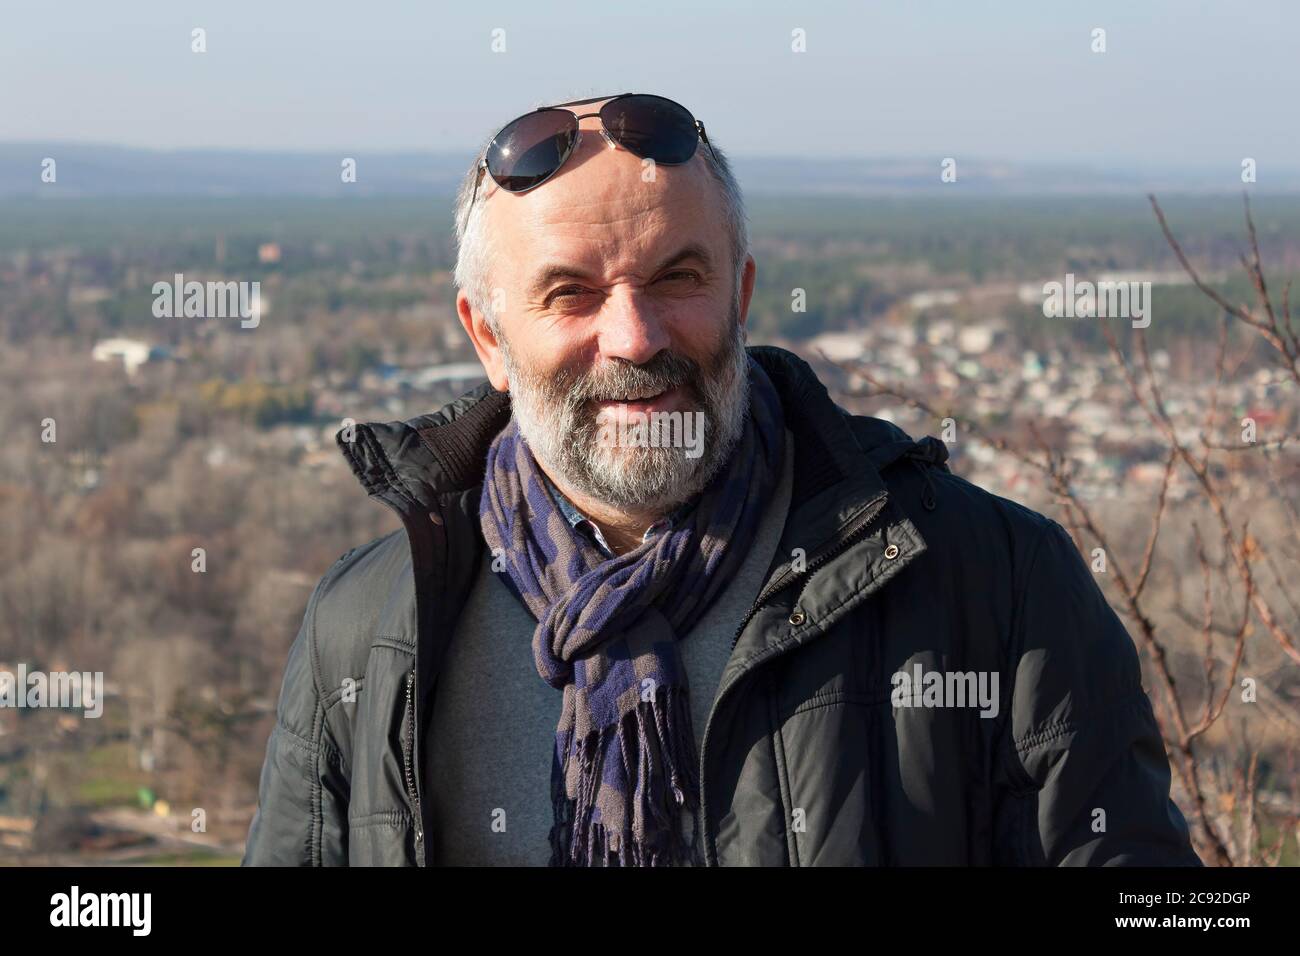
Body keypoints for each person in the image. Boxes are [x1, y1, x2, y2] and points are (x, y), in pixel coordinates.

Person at [243, 93, 1201, 867]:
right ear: (488, 336)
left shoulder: (992, 586)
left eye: (678, 277)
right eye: (569, 292)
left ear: (741, 294)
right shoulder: (372, 630)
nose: (635, 338)